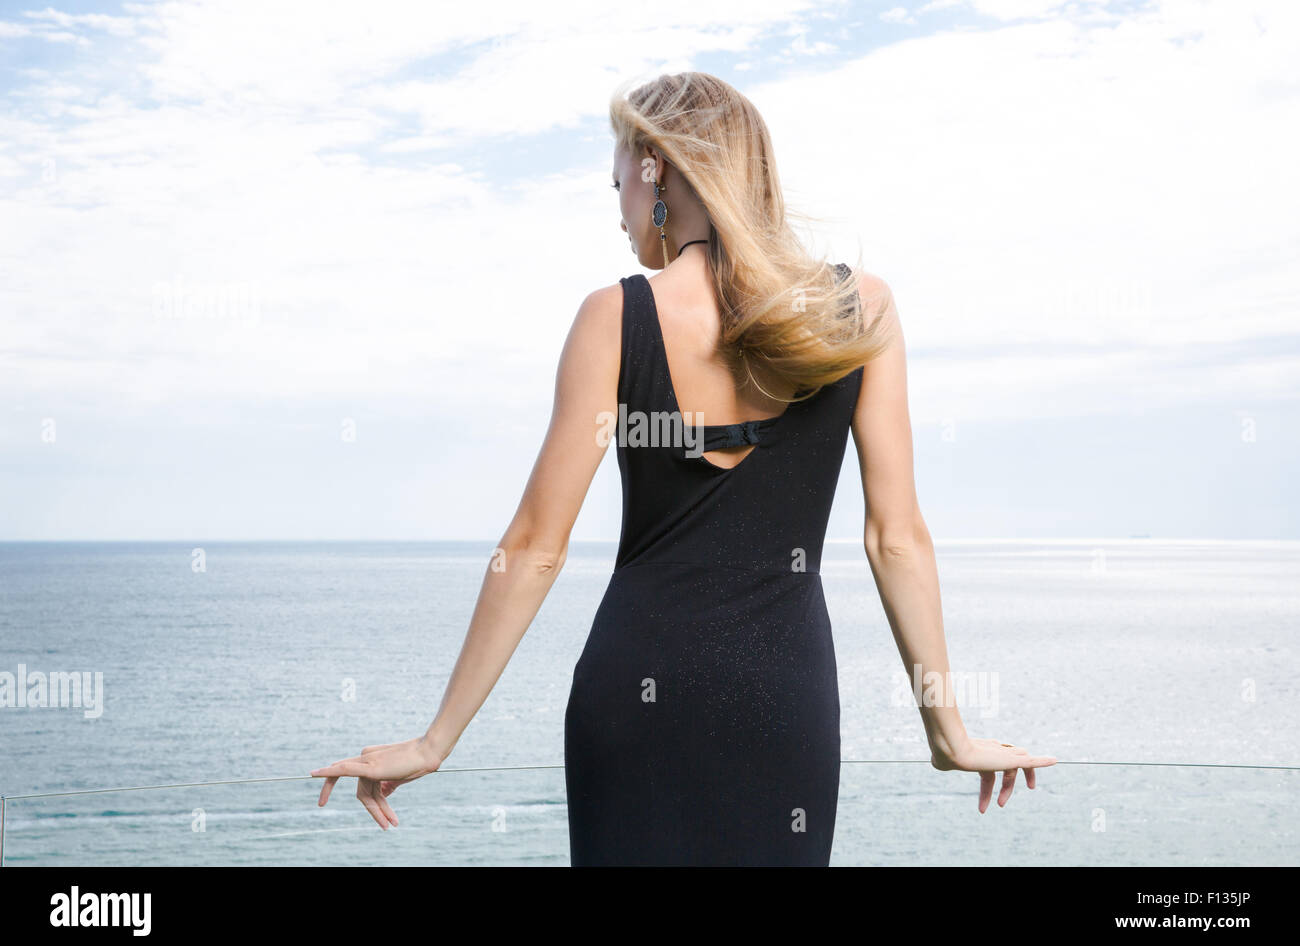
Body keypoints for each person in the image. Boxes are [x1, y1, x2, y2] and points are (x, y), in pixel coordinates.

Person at [310, 71, 1056, 864]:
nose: (619, 206)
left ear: (657, 165)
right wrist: (949, 732)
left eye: (619, 179)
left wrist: (436, 740)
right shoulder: (860, 308)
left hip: (635, 696)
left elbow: (535, 546)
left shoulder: (614, 316)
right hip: (785, 701)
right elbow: (896, 538)